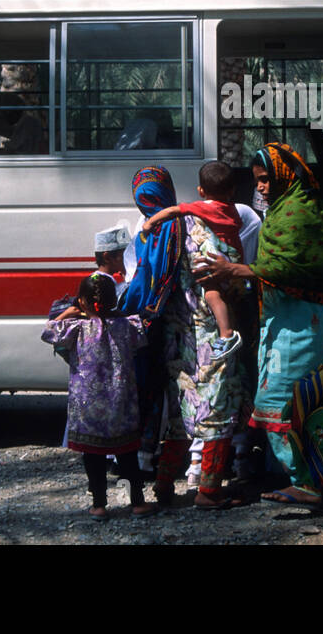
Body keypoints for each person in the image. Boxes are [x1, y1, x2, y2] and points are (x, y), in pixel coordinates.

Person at [196, 142, 323, 506]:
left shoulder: (297, 216)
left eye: (267, 179)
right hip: (296, 323)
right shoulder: (306, 210)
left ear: (288, 176)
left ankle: (308, 482)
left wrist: (236, 269)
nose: (262, 188)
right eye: (257, 181)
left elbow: (297, 268)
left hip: (304, 326)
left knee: (278, 402)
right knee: (312, 404)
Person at [121, 166, 250, 510]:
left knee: (179, 415)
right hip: (207, 335)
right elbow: (212, 278)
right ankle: (208, 490)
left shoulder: (151, 234)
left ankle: (165, 485)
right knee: (217, 407)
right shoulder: (194, 226)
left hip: (173, 338)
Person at [51, 273, 154, 520]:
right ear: (114, 300)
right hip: (122, 405)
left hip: (89, 410)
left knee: (94, 457)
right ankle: (137, 502)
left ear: (83, 302)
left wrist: (67, 313)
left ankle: (99, 505)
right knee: (127, 455)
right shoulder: (128, 326)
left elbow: (50, 332)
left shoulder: (76, 328)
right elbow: (142, 340)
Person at [141, 161, 245, 361]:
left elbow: (173, 211)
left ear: (201, 190)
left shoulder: (202, 208)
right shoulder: (232, 209)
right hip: (235, 258)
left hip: (218, 260)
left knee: (212, 294)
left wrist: (150, 223)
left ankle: (227, 334)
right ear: (232, 190)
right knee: (226, 297)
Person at [93, 224, 131, 298]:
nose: (129, 258)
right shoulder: (104, 286)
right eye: (125, 255)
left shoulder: (93, 278)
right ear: (107, 257)